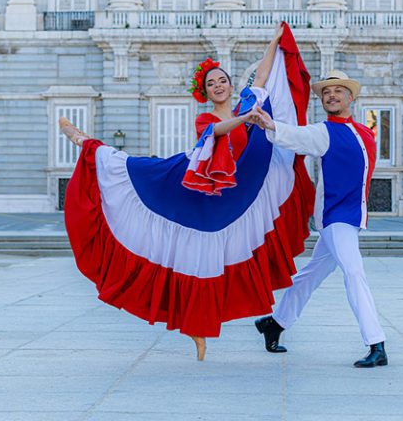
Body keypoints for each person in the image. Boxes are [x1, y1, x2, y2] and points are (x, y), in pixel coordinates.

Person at [59, 23, 314, 361]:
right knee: (137, 171)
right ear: (206, 93)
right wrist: (246, 119)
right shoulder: (209, 119)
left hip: (238, 192)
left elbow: (263, 76)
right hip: (201, 192)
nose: (219, 85)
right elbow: (217, 131)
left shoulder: (247, 105)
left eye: (223, 80)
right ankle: (86, 144)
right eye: (212, 84)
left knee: (212, 262)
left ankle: (201, 325)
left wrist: (275, 41)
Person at [253, 70, 388, 368]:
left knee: (311, 274)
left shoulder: (365, 132)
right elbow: (297, 137)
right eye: (326, 92)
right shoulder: (323, 132)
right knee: (354, 273)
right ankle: (376, 343)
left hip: (351, 215)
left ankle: (275, 323)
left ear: (350, 97)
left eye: (338, 91)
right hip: (335, 217)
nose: (331, 95)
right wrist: (271, 124)